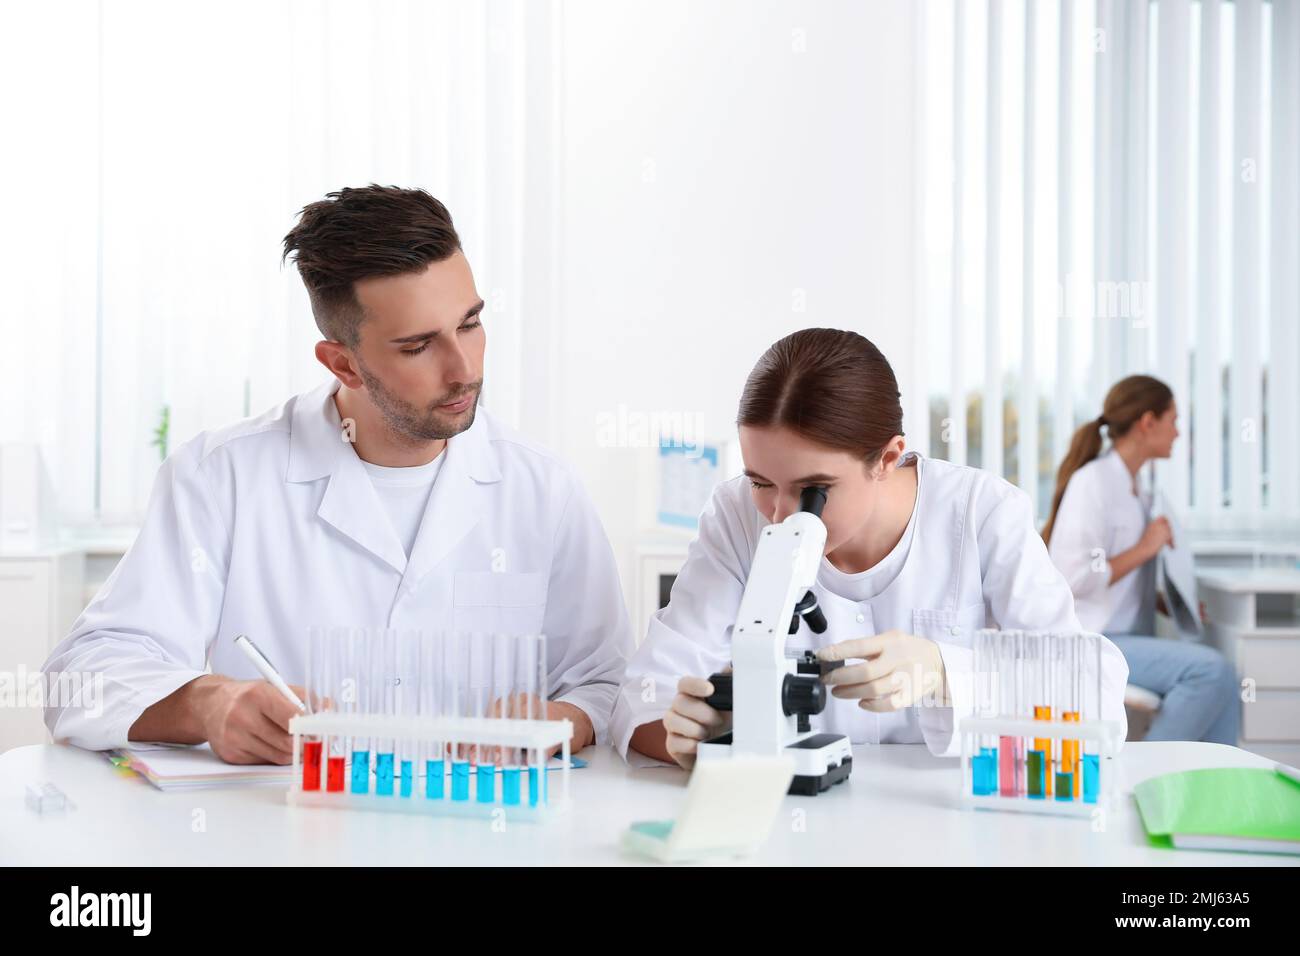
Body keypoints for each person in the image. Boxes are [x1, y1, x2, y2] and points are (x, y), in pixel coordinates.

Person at [43, 185, 630, 762]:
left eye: (470, 324)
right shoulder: (221, 477)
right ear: (342, 363)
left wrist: (567, 719)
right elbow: (81, 678)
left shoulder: (544, 490)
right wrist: (206, 702)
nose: (464, 369)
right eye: (419, 346)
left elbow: (610, 685)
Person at [614, 328, 1128, 767]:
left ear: (887, 457)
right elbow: (642, 693)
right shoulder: (734, 517)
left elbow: (1096, 695)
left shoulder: (982, 512)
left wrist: (946, 673)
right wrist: (694, 735)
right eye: (760, 481)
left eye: (814, 490)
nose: (780, 516)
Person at [1043, 374, 1239, 745]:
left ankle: (1213, 786)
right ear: (1148, 422)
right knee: (1211, 673)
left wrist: (1167, 601)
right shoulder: (1093, 483)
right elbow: (1069, 577)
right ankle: (1146, 773)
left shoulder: (1139, 491)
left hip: (1125, 636)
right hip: (1092, 638)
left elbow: (1119, 578)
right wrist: (1145, 549)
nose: (1178, 433)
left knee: (1225, 682)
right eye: (1174, 420)